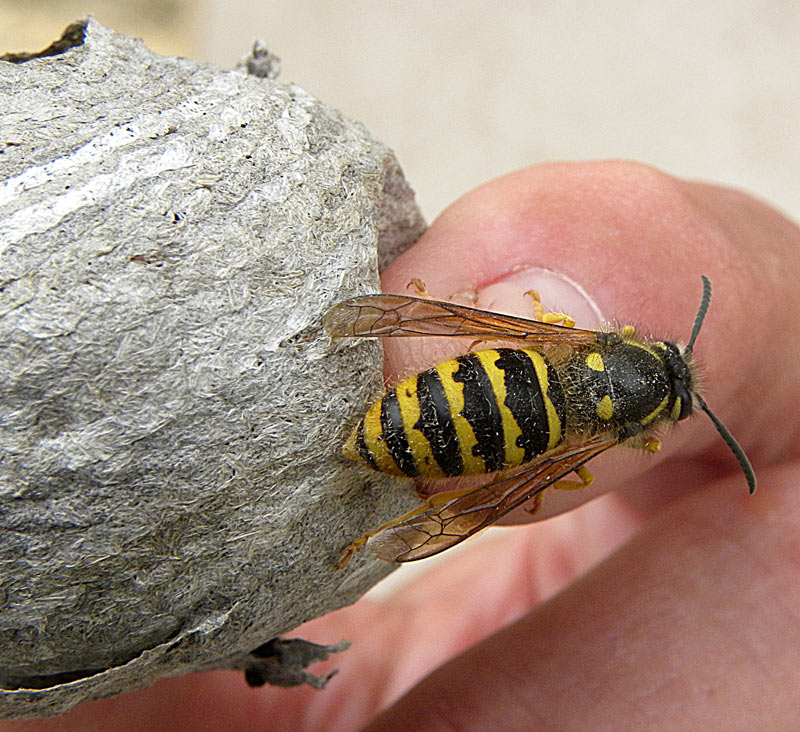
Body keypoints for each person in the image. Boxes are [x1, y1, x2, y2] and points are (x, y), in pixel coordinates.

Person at [6, 161, 799, 731]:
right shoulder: (594, 441)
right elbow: (523, 478)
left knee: (492, 344)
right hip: (446, 441)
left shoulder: (567, 340)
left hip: (463, 390)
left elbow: (497, 325)